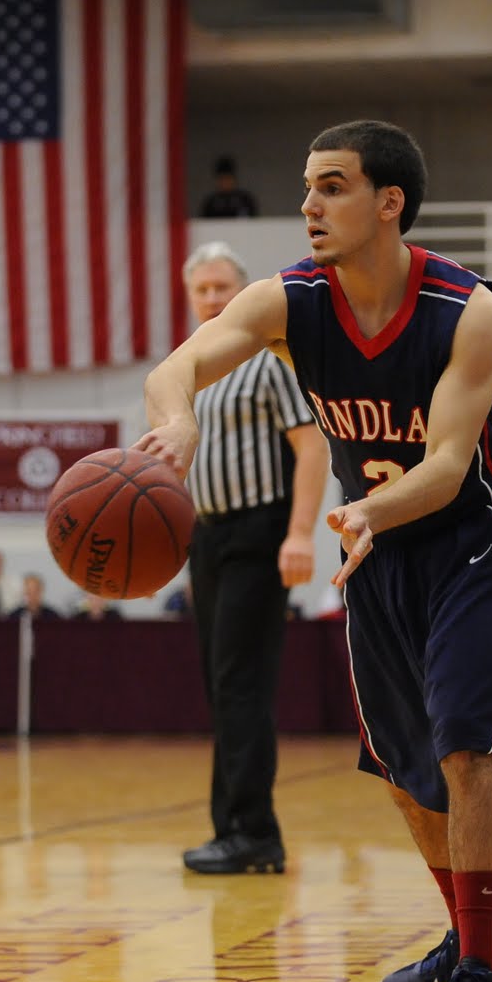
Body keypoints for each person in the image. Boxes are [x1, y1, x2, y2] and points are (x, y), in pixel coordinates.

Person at [136, 119, 492, 982]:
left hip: (470, 541)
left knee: (461, 751)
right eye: (307, 185)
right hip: (374, 546)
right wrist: (178, 428)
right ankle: (472, 936)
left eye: (331, 186)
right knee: (405, 771)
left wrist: (369, 510)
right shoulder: (289, 299)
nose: (308, 205)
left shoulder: (468, 310)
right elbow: (180, 365)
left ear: (388, 202)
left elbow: (449, 466)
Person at [172, 241, 330, 876]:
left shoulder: (266, 360)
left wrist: (299, 534)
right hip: (206, 537)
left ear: (241, 291)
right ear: (189, 294)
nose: (212, 297)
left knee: (241, 683)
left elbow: (312, 446)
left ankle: (255, 832)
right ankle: (230, 828)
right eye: (202, 288)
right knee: (221, 685)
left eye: (222, 287)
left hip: (260, 532)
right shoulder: (190, 366)